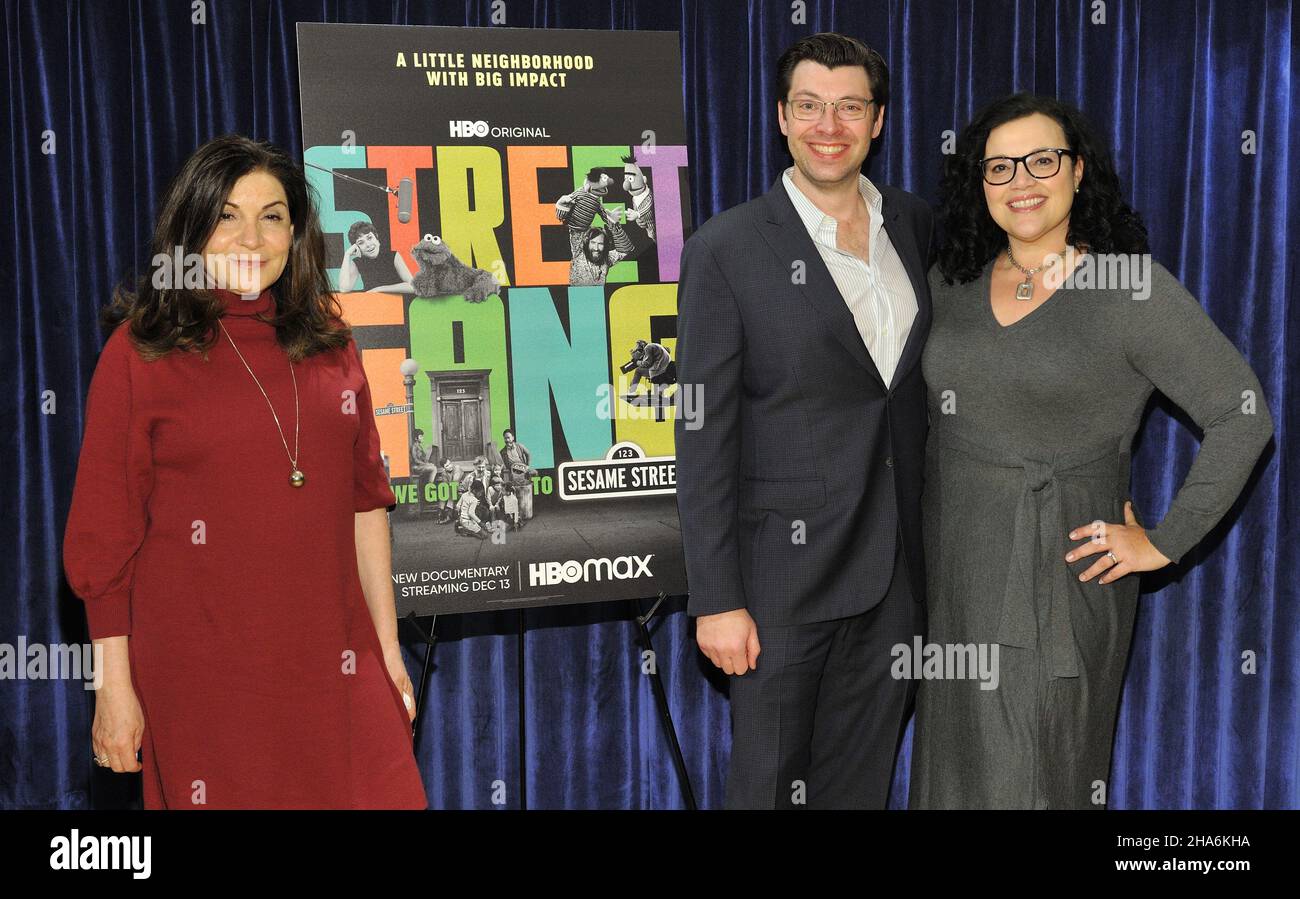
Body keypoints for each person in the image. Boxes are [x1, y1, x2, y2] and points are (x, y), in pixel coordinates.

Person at [909, 93, 1274, 809]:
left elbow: (1243, 415)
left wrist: (1165, 542)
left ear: (1079, 172)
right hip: (954, 574)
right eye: (1000, 167)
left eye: (1042, 160)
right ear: (978, 185)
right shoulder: (950, 286)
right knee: (953, 778)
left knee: (1038, 776)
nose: (1023, 181)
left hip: (1058, 580)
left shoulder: (1129, 289)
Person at [62, 134, 428, 809]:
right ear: (193, 227)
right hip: (205, 679)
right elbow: (104, 536)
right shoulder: (140, 352)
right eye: (227, 215)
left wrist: (387, 652)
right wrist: (113, 685)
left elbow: (365, 504)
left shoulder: (331, 341)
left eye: (273, 215)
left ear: (297, 232)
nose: (250, 238)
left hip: (336, 664)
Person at [674, 33, 932, 809]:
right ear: (783, 118)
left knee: (858, 789)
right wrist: (716, 596)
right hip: (778, 586)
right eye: (812, 106)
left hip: (897, 578)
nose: (831, 125)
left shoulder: (917, 228)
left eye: (851, 106)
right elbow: (703, 432)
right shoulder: (727, 247)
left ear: (878, 120)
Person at [339, 220, 415, 294]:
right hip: (373, 304)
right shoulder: (358, 262)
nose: (368, 244)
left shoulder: (392, 255)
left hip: (395, 304)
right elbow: (343, 289)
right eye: (361, 243)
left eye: (369, 238)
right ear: (357, 248)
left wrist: (380, 289)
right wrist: (347, 255)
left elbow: (412, 286)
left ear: (376, 238)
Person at [501, 429, 536, 527]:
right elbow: (503, 465)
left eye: (508, 437)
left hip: (523, 468)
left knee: (535, 474)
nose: (507, 440)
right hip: (513, 472)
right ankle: (516, 514)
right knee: (513, 486)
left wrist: (528, 466)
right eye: (505, 438)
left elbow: (528, 454)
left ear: (513, 438)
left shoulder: (519, 446)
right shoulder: (503, 451)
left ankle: (528, 507)